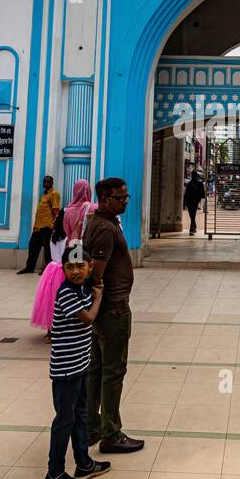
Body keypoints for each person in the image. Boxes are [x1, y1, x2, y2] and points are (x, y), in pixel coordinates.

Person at [43, 242, 112, 479]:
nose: (75, 272)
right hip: (65, 371)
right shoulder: (66, 293)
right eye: (70, 267)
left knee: (80, 413)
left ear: (89, 266)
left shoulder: (82, 287)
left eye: (80, 266)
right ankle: (54, 474)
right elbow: (88, 318)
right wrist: (99, 297)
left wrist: (94, 289)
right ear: (62, 269)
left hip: (80, 364)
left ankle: (83, 464)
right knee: (64, 419)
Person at [83, 177, 143, 453]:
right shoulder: (105, 229)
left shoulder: (96, 222)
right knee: (113, 371)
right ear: (105, 199)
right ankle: (111, 432)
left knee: (96, 369)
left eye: (126, 196)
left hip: (102, 311)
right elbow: (96, 272)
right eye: (121, 197)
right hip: (113, 310)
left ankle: (91, 426)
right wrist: (101, 300)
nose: (126, 201)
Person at [31, 179, 95, 331]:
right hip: (81, 250)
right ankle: (80, 318)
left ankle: (55, 326)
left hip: (68, 250)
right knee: (81, 283)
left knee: (67, 285)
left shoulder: (66, 210)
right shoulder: (90, 208)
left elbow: (64, 231)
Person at [18, 176, 61, 274]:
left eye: (48, 182)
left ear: (52, 183)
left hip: (47, 227)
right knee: (32, 246)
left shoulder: (54, 194)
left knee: (47, 249)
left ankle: (47, 269)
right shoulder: (44, 195)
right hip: (38, 227)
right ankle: (29, 267)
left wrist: (55, 227)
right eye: (44, 182)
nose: (45, 184)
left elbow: (56, 211)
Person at [183, 170, 205, 235]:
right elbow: (202, 194)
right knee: (192, 215)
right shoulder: (197, 184)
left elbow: (186, 194)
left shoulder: (190, 183)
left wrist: (186, 203)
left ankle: (191, 229)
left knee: (192, 215)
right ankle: (194, 227)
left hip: (192, 202)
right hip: (194, 201)